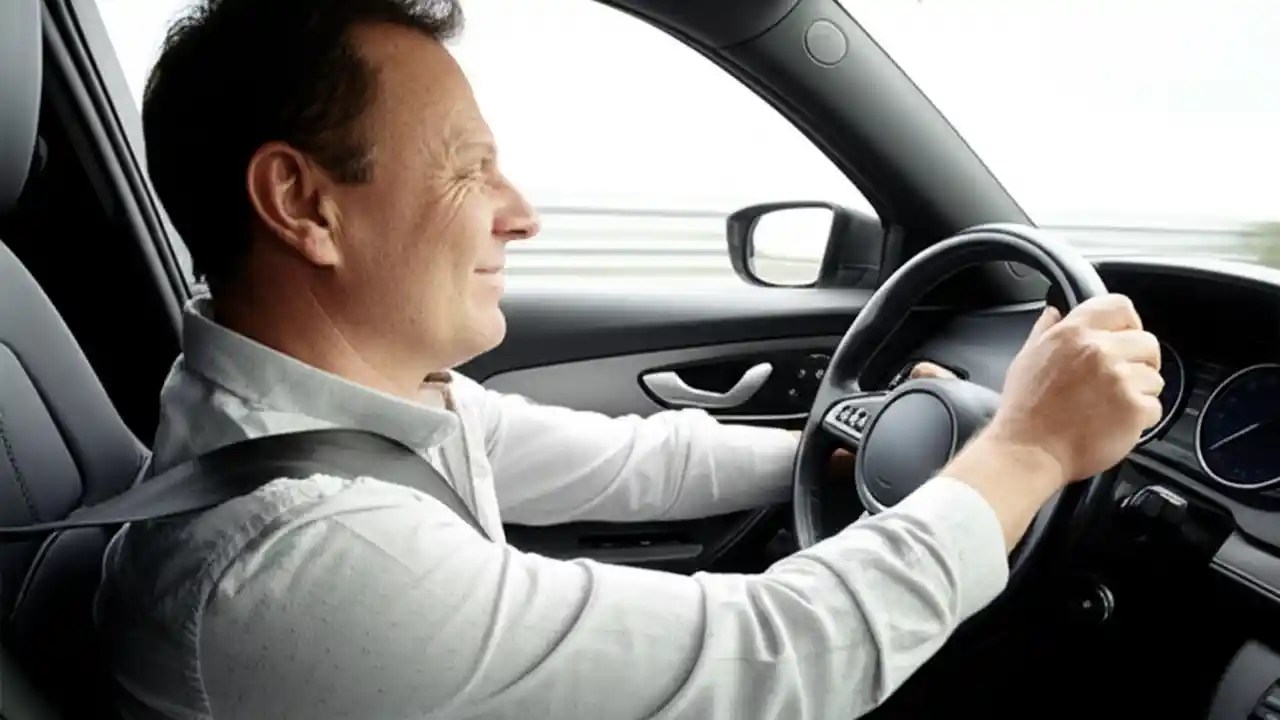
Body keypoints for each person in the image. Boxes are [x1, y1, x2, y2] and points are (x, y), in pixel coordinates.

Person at [92, 1, 1165, 718]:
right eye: (470, 172)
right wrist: (1025, 447)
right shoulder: (297, 561)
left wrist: (857, 441)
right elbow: (786, 652)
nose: (522, 216)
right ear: (303, 205)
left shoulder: (350, 414)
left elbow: (635, 462)